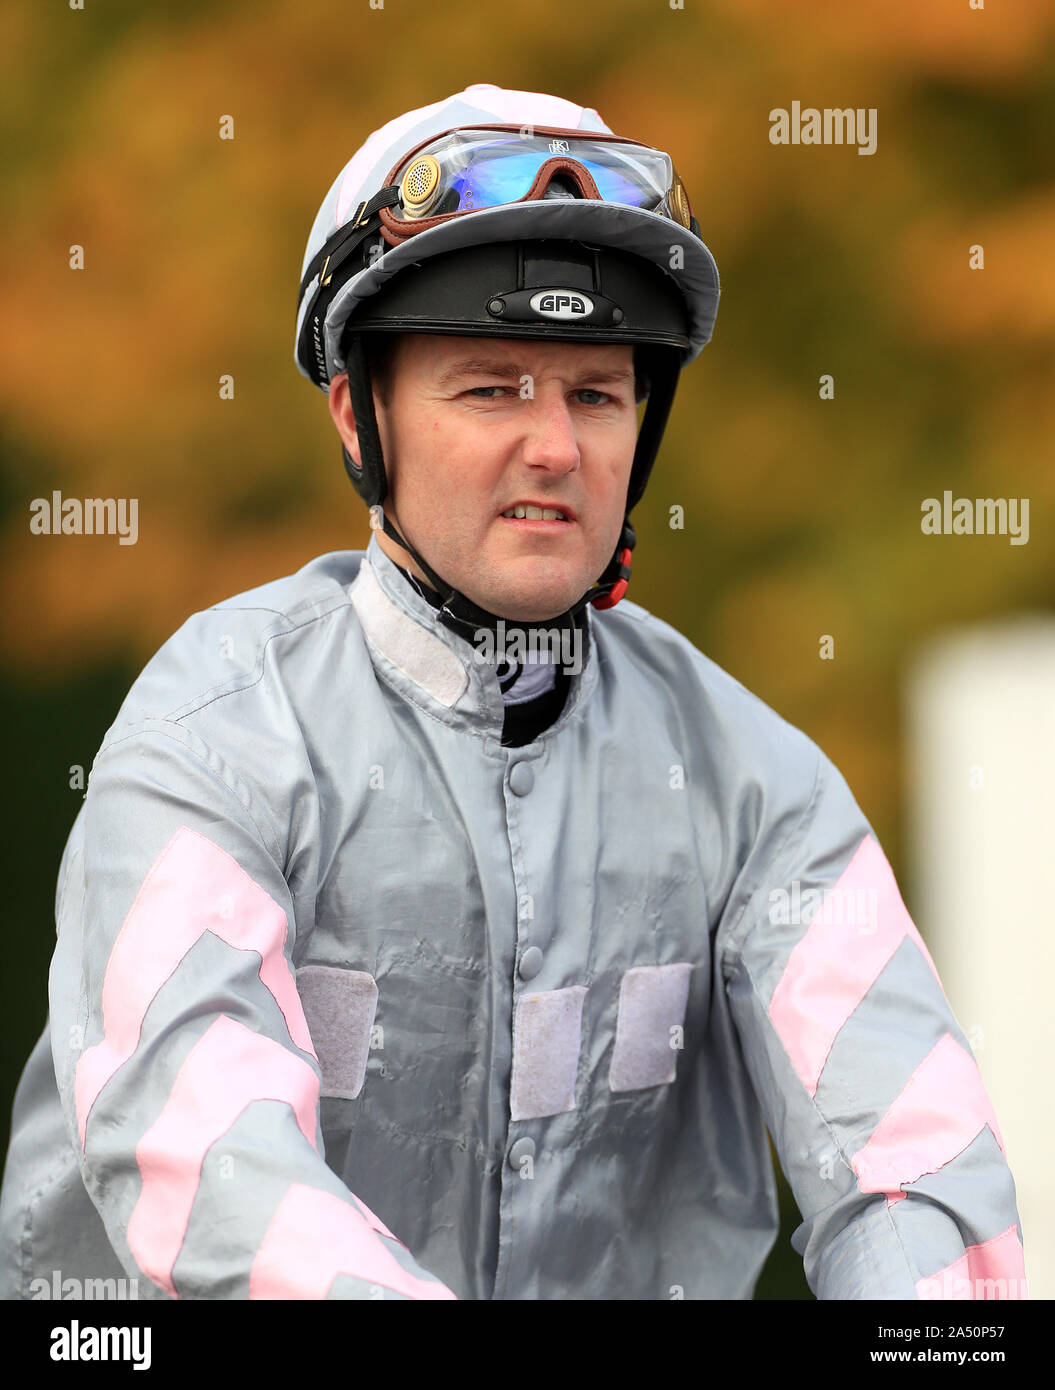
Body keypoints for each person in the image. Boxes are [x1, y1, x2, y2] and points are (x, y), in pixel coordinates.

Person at [0, 83, 1026, 1302]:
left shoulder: (758, 782)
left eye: (594, 393)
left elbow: (914, 1164)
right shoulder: (211, 733)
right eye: (491, 387)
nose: (554, 445)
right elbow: (208, 1168)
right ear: (355, 412)